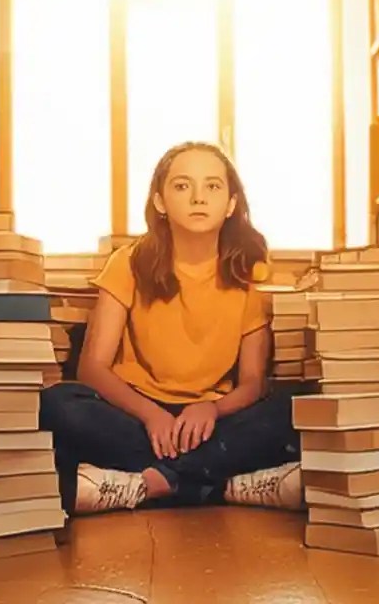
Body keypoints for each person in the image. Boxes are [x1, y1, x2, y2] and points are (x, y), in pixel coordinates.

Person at [39, 141, 302, 516]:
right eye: (182, 185)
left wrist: (211, 409)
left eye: (212, 186)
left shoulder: (249, 274)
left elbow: (252, 383)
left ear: (231, 203)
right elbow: (92, 368)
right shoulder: (128, 262)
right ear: (160, 201)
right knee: (56, 405)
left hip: (211, 419)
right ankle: (223, 484)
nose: (198, 197)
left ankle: (147, 485)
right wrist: (152, 416)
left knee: (295, 408)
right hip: (135, 412)